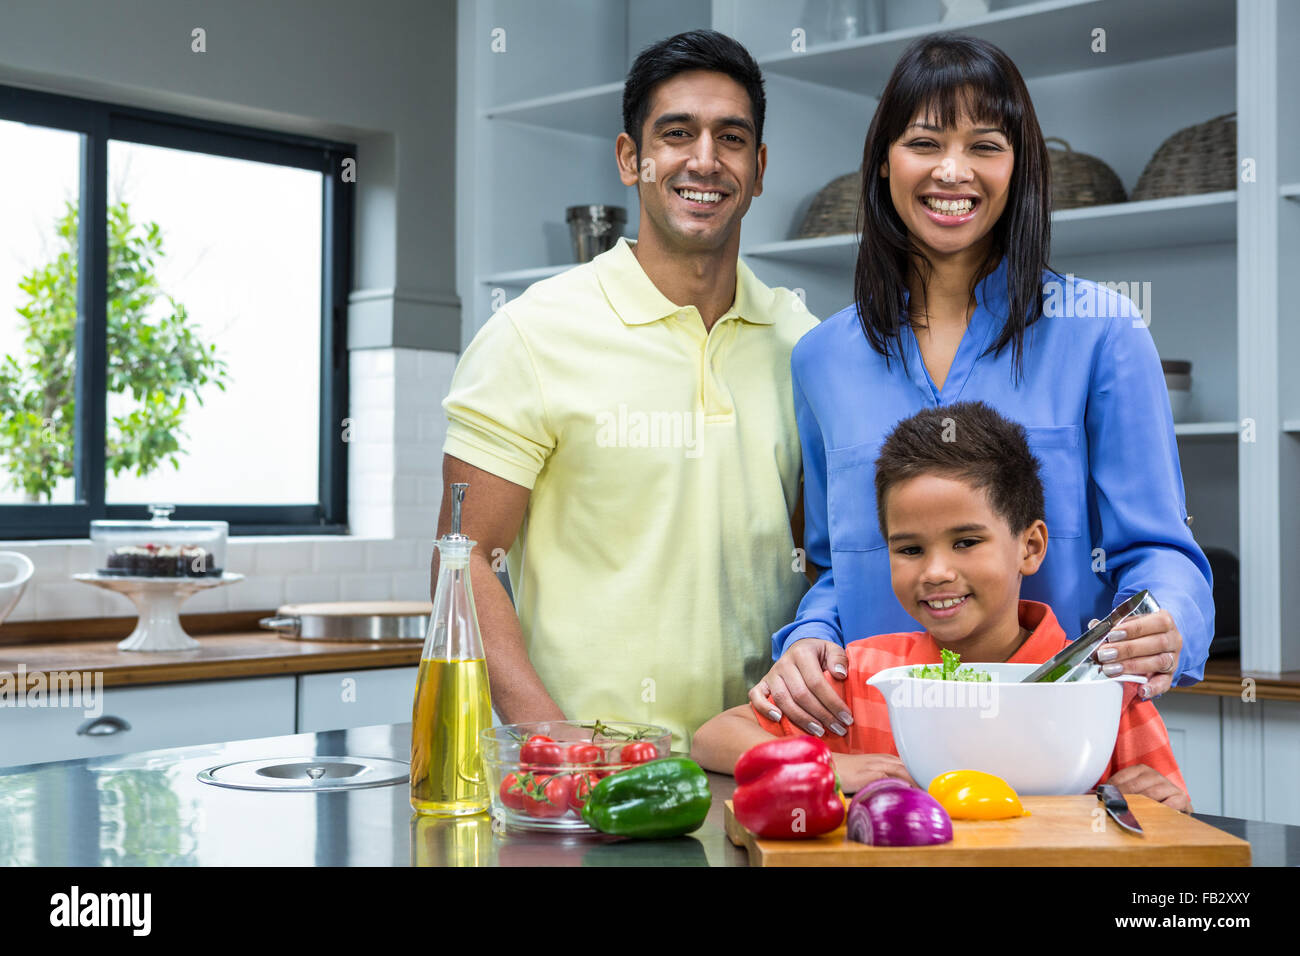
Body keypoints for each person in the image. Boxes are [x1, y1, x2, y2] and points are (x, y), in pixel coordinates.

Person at [749, 32, 1213, 741]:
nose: (953, 171)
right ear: (883, 163)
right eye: (925, 142)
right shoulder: (820, 359)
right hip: (879, 739)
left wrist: (1168, 618)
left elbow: (1158, 550)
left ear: (1020, 168)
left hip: (1055, 734)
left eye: (986, 145)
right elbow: (835, 565)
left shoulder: (1103, 333)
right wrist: (808, 635)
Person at [436, 30, 816, 748]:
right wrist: (553, 742)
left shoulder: (804, 343)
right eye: (676, 134)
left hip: (765, 766)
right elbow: (465, 561)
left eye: (731, 138)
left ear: (759, 168)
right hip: (590, 781)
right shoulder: (531, 335)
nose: (704, 159)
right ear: (629, 159)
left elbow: (818, 557)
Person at [694, 401, 1190, 811]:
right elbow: (714, 738)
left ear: (1030, 547)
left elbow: (1171, 814)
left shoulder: (1106, 686)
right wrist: (828, 766)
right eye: (909, 549)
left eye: (966, 542)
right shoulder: (862, 675)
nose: (934, 572)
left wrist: (1155, 805)